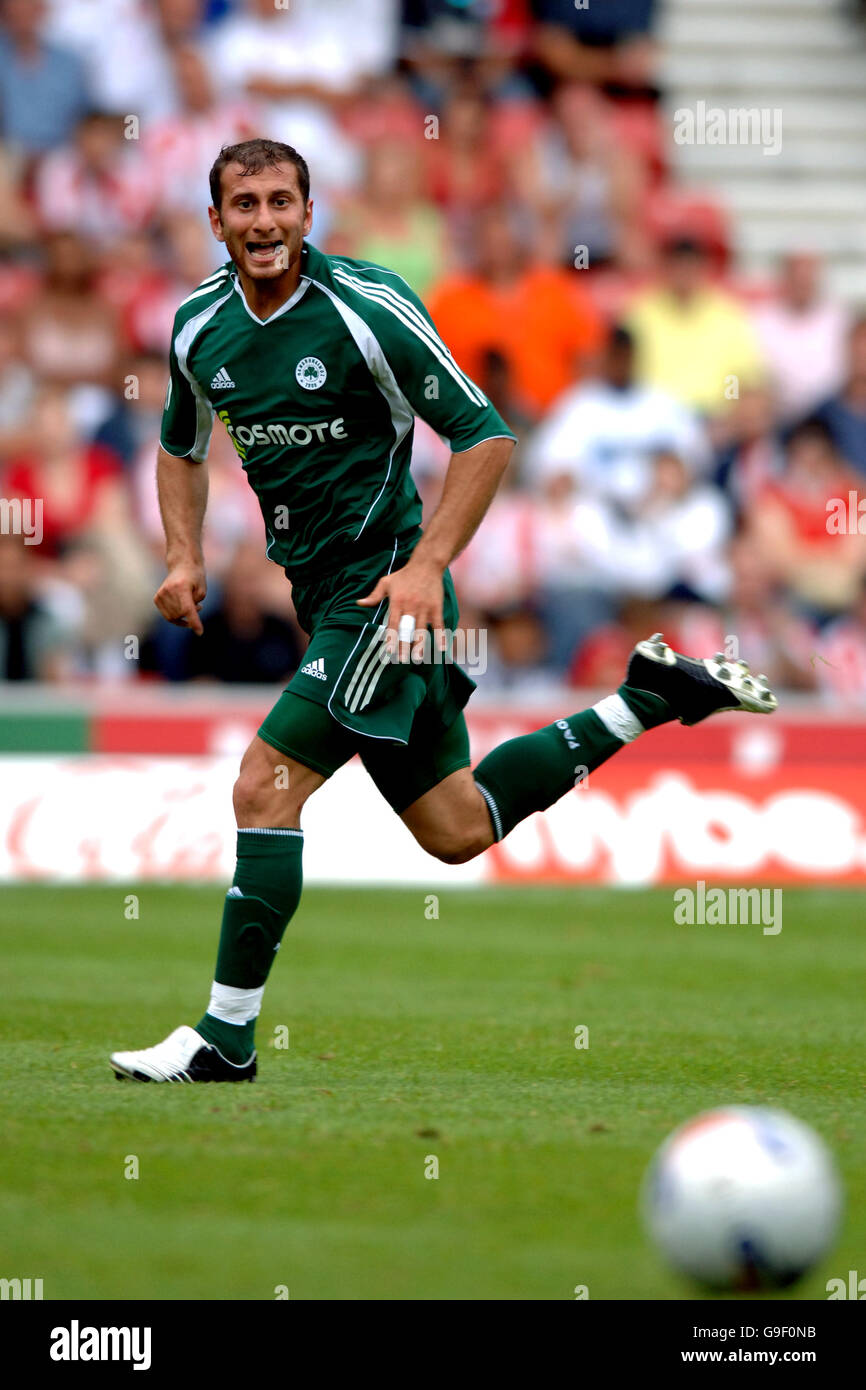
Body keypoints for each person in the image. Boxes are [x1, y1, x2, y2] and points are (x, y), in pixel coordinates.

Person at [109, 138, 778, 1084]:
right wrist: (181, 553)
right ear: (215, 222)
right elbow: (179, 448)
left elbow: (486, 435)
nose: (265, 221)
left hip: (387, 597)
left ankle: (225, 1037)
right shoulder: (195, 328)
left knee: (264, 784)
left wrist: (425, 567)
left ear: (310, 213)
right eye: (244, 205)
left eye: (282, 203)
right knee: (456, 827)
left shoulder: (366, 308)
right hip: (331, 603)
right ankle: (647, 698)